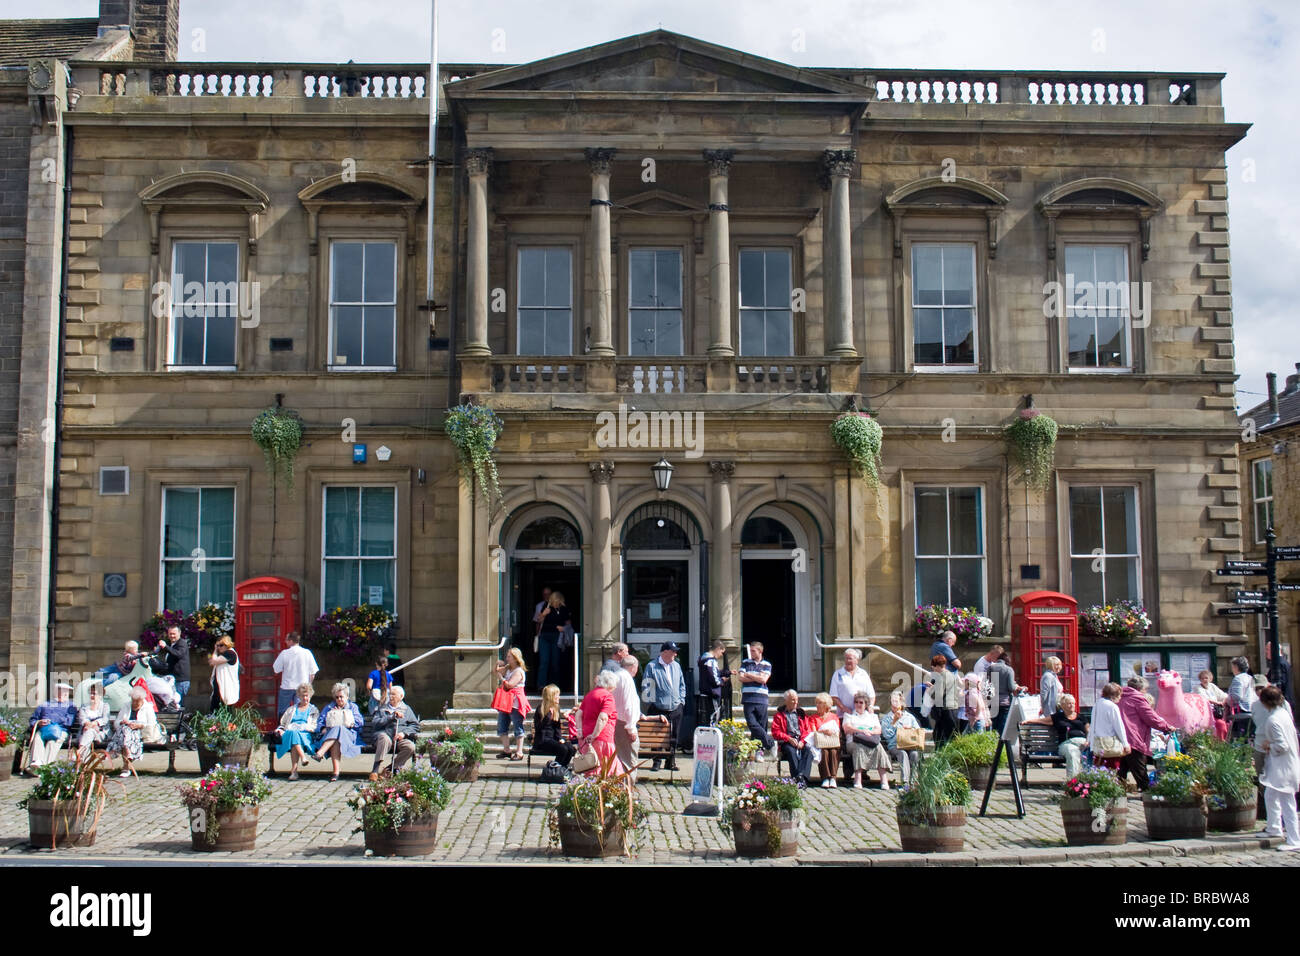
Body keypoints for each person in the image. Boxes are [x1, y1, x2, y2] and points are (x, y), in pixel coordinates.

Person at [1257, 684, 1300, 850]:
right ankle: (1274, 828)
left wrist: (1269, 746)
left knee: (1287, 801)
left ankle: (1294, 839)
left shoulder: (1273, 720)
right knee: (1270, 795)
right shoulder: (1283, 714)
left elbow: (1282, 746)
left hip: (1283, 766)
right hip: (1282, 765)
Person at [1117, 676, 1174, 790]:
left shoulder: (1120, 696)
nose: (1146, 692)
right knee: (1140, 771)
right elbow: (1150, 717)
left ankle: (1116, 795)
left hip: (1119, 738)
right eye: (1145, 689)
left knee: (1122, 769)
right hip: (1134, 738)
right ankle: (1148, 795)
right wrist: (1167, 727)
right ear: (1139, 688)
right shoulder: (1137, 698)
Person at [643, 641, 686, 772]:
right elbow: (647, 686)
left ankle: (670, 761)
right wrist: (652, 703)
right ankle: (656, 762)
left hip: (675, 707)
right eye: (673, 651)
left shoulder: (676, 666)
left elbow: (681, 685)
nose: (675, 653)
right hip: (658, 707)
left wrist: (681, 701)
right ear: (665, 652)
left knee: (674, 736)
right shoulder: (652, 666)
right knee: (656, 737)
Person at [105, 685, 158, 778]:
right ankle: (126, 761)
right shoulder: (126, 705)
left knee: (125, 733)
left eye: (137, 701)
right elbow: (117, 723)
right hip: (125, 734)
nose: (134, 703)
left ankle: (125, 766)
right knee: (125, 729)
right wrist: (122, 722)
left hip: (140, 734)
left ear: (142, 699)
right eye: (133, 700)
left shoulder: (148, 707)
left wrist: (139, 725)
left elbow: (152, 724)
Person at [842, 692, 891, 789]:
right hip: (853, 742)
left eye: (861, 702)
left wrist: (869, 732)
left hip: (870, 741)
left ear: (866, 704)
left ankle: (884, 780)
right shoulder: (849, 716)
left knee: (879, 747)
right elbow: (847, 729)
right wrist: (862, 731)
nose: (858, 704)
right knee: (859, 747)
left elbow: (878, 730)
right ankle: (858, 779)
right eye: (856, 702)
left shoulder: (872, 716)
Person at [314, 683, 363, 781]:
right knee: (336, 737)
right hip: (331, 737)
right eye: (336, 697)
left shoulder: (353, 707)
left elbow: (360, 722)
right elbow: (320, 722)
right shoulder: (329, 707)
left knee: (339, 728)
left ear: (347, 696)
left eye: (341, 697)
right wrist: (322, 728)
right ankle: (336, 772)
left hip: (349, 736)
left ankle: (320, 753)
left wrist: (350, 722)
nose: (339, 699)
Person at [578, 669, 621, 774]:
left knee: (591, 771)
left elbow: (578, 714)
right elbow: (603, 717)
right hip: (602, 738)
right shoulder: (607, 696)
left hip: (586, 738)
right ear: (611, 685)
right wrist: (594, 735)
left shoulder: (590, 695)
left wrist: (580, 730)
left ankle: (590, 790)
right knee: (611, 771)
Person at [371, 685, 419, 779]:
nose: (391, 696)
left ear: (401, 697)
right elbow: (375, 723)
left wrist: (404, 733)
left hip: (399, 737)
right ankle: (375, 770)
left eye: (393, 694)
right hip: (385, 735)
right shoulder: (382, 708)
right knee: (384, 738)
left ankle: (390, 769)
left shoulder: (406, 709)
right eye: (390, 694)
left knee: (410, 746)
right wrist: (391, 717)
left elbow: (415, 725)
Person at [27, 683, 77, 771]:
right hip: (44, 729)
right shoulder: (44, 705)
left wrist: (52, 721)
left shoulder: (71, 706)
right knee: (37, 737)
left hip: (61, 730)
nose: (64, 694)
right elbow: (33, 720)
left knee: (52, 742)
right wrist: (39, 723)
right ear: (55, 692)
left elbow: (69, 722)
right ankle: (37, 761)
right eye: (61, 691)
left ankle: (45, 767)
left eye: (66, 692)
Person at [275, 682, 319, 781]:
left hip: (305, 736)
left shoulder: (313, 710)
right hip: (290, 733)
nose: (305, 698)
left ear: (310, 696)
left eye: (307, 696)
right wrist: (280, 730)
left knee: (295, 738)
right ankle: (302, 758)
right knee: (293, 734)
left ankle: (294, 772)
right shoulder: (291, 709)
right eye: (303, 696)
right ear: (298, 696)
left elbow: (314, 726)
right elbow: (283, 724)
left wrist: (302, 727)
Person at [493, 647, 531, 761]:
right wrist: (497, 664)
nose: (507, 658)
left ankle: (519, 752)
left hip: (515, 702)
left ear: (515, 658)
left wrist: (501, 678)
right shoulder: (509, 668)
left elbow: (509, 685)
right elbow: (496, 671)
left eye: (509, 656)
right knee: (501, 726)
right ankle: (507, 750)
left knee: (517, 726)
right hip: (506, 702)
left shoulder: (518, 671)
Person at [739, 642, 775, 759]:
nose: (751, 653)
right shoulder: (745, 663)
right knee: (752, 724)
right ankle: (770, 743)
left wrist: (749, 675)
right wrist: (756, 677)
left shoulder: (766, 665)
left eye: (754, 651)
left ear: (760, 651)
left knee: (761, 725)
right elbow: (741, 678)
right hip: (748, 698)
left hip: (761, 699)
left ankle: (759, 752)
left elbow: (763, 679)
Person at [271, 631, 318, 720]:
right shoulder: (307, 653)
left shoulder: (284, 653)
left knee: (283, 713)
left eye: (287, 640)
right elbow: (313, 673)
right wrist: (308, 686)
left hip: (286, 687)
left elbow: (276, 669)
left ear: (291, 641)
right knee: (301, 711)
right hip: (302, 688)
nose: (285, 642)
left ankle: (281, 731)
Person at [771, 690, 814, 785]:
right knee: (791, 751)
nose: (796, 702)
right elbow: (775, 732)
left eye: (797, 700)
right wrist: (788, 738)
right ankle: (797, 779)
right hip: (787, 742)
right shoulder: (779, 716)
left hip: (801, 740)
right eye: (793, 700)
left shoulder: (801, 714)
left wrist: (802, 741)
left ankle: (802, 777)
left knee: (809, 751)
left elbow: (807, 730)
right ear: (786, 701)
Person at [881, 691, 923, 785]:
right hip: (895, 746)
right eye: (893, 702)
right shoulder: (887, 718)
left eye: (897, 701)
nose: (894, 704)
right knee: (903, 754)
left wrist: (910, 729)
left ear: (901, 703)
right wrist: (894, 721)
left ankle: (913, 780)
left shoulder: (909, 717)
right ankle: (905, 781)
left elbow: (918, 731)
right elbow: (887, 735)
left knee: (915, 754)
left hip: (909, 744)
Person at [1088, 682, 1131, 771]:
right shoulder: (1112, 706)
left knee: (1099, 769)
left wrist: (1090, 740)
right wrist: (1125, 743)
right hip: (1111, 744)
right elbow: (1119, 726)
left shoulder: (1097, 704)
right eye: (1119, 695)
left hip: (1098, 742)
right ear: (1114, 695)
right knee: (1113, 769)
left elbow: (1093, 724)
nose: (1120, 698)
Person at [532, 684, 576, 770]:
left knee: (570, 748)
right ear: (551, 697)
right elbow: (539, 727)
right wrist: (548, 716)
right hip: (543, 740)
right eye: (557, 695)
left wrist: (560, 738)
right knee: (563, 749)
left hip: (553, 739)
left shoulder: (556, 709)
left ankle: (563, 768)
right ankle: (554, 769)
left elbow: (557, 728)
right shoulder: (541, 709)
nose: (559, 697)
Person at [612, 656, 642, 782]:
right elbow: (628, 705)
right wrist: (631, 728)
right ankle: (627, 791)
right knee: (629, 761)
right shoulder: (626, 678)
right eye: (636, 667)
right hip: (624, 724)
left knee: (619, 760)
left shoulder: (616, 676)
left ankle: (621, 790)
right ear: (633, 666)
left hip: (616, 721)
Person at [535, 590, 570, 690]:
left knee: (555, 661)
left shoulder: (563, 609)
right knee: (544, 661)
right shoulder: (546, 606)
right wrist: (544, 614)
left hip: (557, 637)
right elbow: (538, 620)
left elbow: (569, 624)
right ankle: (541, 685)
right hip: (545, 636)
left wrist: (564, 628)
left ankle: (554, 685)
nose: (555, 602)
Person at [150, 625, 191, 705]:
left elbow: (178, 654)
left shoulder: (182, 643)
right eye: (170, 634)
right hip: (173, 679)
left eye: (174, 634)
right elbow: (169, 663)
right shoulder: (172, 645)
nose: (172, 636)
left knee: (177, 704)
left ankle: (181, 717)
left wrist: (166, 647)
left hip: (180, 680)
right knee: (173, 704)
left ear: (179, 633)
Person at [1051, 693, 1090, 777]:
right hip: (1067, 743)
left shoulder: (1081, 717)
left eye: (1073, 703)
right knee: (1072, 753)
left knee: (1090, 753)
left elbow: (1088, 731)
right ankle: (1073, 782)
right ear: (1063, 705)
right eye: (1069, 703)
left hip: (1082, 742)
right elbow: (1042, 720)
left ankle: (1088, 780)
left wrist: (1088, 741)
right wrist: (1027, 721)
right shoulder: (1057, 717)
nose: (1072, 705)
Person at [829, 647, 876, 715]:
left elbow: (871, 695)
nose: (847, 661)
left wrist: (870, 707)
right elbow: (833, 696)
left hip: (862, 714)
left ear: (857, 660)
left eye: (850, 658)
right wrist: (844, 708)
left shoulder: (863, 674)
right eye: (846, 658)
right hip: (844, 714)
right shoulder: (838, 674)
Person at [986, 651, 1024, 735]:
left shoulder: (991, 668)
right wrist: (1017, 687)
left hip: (992, 701)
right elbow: (1011, 687)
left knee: (993, 724)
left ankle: (993, 742)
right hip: (1004, 702)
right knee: (1003, 724)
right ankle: (1001, 744)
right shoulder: (1009, 669)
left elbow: (987, 683)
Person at [928, 654, 962, 745]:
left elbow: (937, 695)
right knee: (950, 736)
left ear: (936, 666)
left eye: (933, 668)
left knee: (943, 737)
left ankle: (943, 755)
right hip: (952, 708)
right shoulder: (950, 674)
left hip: (946, 710)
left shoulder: (941, 677)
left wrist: (930, 690)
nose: (933, 670)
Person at [697, 640, 730, 727]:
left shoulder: (703, 658)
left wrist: (728, 672)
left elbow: (713, 673)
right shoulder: (711, 661)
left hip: (705, 692)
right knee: (713, 718)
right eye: (721, 653)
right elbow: (715, 680)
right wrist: (723, 681)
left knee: (706, 719)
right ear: (718, 649)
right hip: (712, 694)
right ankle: (712, 738)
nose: (721, 656)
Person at [812, 692, 841, 788]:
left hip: (832, 742)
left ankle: (833, 778)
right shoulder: (813, 718)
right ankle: (825, 777)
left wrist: (830, 731)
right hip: (819, 744)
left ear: (826, 705)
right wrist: (823, 731)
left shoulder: (834, 717)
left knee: (833, 751)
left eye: (819, 703)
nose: (817, 705)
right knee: (824, 752)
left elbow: (836, 730)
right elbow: (812, 731)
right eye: (816, 703)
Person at [76, 683, 111, 760]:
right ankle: (83, 761)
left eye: (94, 694)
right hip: (86, 731)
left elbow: (105, 719)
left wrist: (94, 723)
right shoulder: (84, 706)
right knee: (89, 732)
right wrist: (89, 725)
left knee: (89, 732)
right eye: (90, 693)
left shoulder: (105, 706)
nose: (92, 695)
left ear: (100, 695)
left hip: (100, 733)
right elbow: (82, 718)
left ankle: (81, 752)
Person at [1228, 656, 1257, 739]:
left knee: (1241, 737)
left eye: (1232, 667)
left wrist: (1227, 699)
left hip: (1242, 710)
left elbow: (1237, 696)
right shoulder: (1250, 678)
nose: (1232, 669)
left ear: (1236, 667)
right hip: (1251, 709)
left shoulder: (1238, 678)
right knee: (1250, 736)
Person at [208, 636, 240, 710]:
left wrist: (215, 651)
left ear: (227, 644)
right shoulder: (225, 654)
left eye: (221, 645)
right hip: (220, 686)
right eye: (217, 645)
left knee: (223, 710)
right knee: (216, 708)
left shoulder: (230, 653)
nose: (219, 647)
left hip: (226, 686)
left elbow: (213, 661)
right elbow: (212, 662)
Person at [1266, 643, 1295, 710]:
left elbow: (1281, 683)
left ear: (1274, 650)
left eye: (1267, 649)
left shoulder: (1280, 663)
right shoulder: (1281, 662)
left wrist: (1267, 685)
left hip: (1282, 702)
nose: (1266, 652)